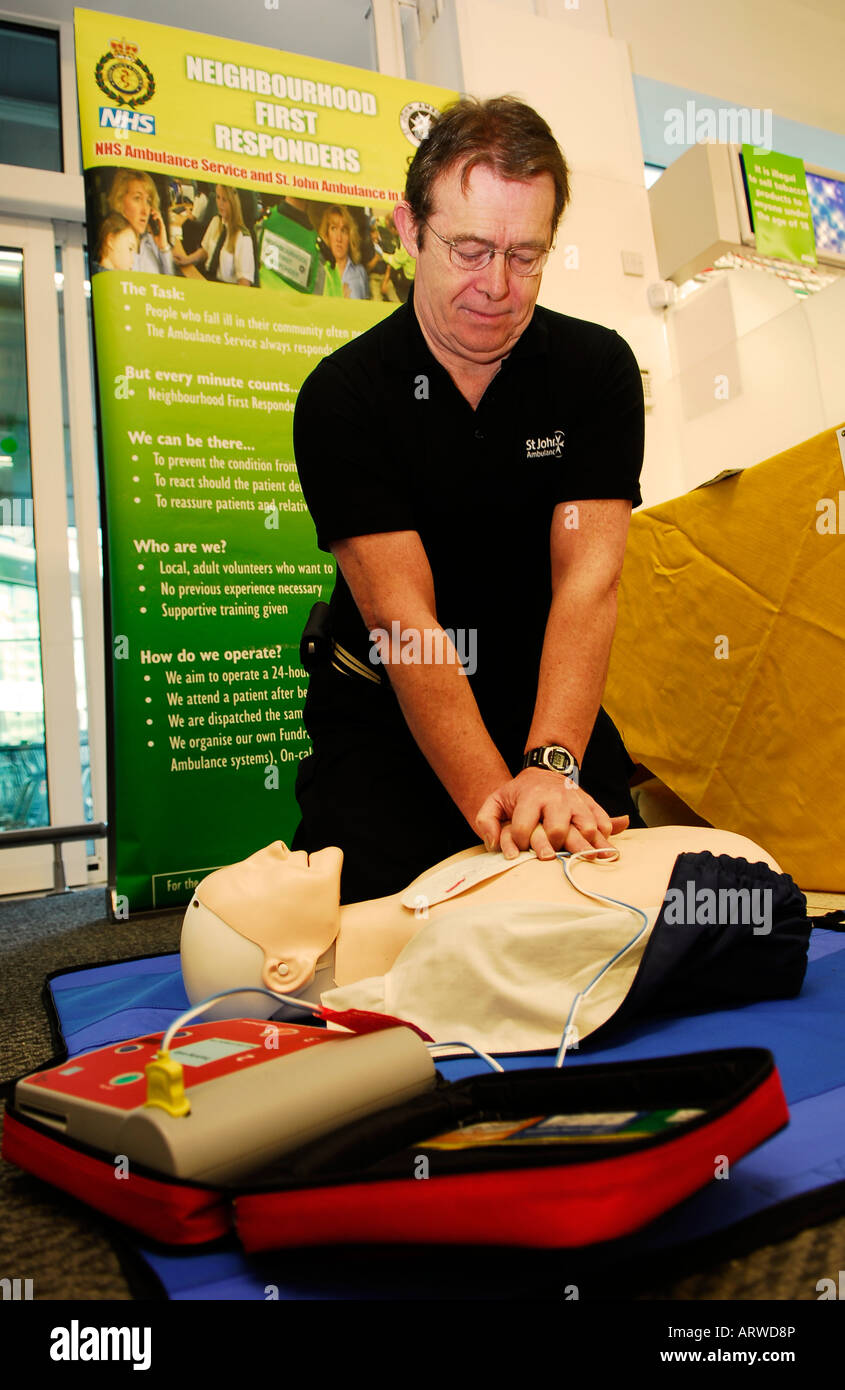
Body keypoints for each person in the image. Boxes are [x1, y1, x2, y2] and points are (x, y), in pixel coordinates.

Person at [292, 97, 646, 904]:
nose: (496, 286)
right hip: (389, 710)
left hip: (546, 707)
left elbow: (588, 582)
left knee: (623, 924)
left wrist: (550, 770)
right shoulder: (343, 398)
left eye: (526, 255)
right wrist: (507, 824)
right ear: (408, 229)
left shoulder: (595, 373)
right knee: (380, 948)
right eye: (470, 248)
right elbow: (403, 620)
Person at [181, 827, 811, 1055]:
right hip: (750, 897)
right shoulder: (460, 953)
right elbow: (753, 919)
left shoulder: (428, 889)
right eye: (250, 877)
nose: (268, 850)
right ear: (286, 969)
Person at [178, 184, 256, 286]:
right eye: (218, 197)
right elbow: (205, 251)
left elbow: (244, 283)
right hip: (206, 278)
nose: (220, 204)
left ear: (234, 203)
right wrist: (187, 259)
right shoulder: (216, 221)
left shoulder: (243, 237)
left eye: (225, 200)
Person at [107, 169, 175, 275]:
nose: (145, 211)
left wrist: (164, 248)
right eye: (137, 198)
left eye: (148, 201)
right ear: (120, 201)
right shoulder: (116, 244)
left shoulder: (151, 242)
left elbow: (172, 286)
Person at [316, 205, 369, 299]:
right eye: (334, 229)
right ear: (326, 234)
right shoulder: (319, 270)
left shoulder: (360, 272)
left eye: (343, 231)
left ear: (350, 237)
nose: (339, 238)